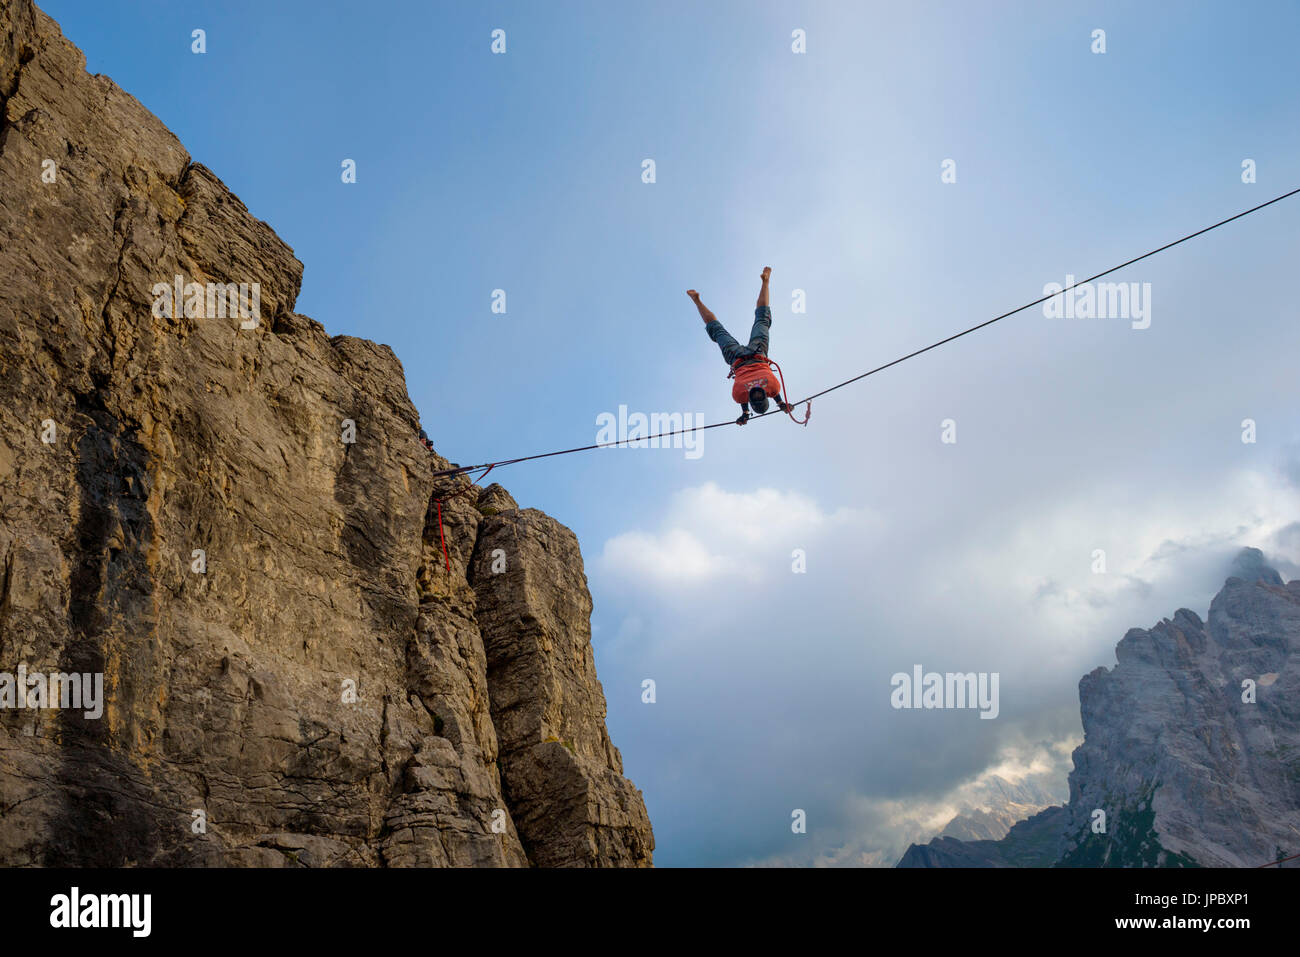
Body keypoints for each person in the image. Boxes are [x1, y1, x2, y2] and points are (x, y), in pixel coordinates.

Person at [688, 266, 792, 424]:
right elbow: (744, 400)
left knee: (762, 318)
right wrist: (745, 414)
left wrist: (782, 405)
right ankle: (697, 300)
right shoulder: (740, 395)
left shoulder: (773, 388)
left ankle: (765, 282)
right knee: (717, 330)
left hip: (756, 353)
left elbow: (777, 398)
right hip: (738, 357)